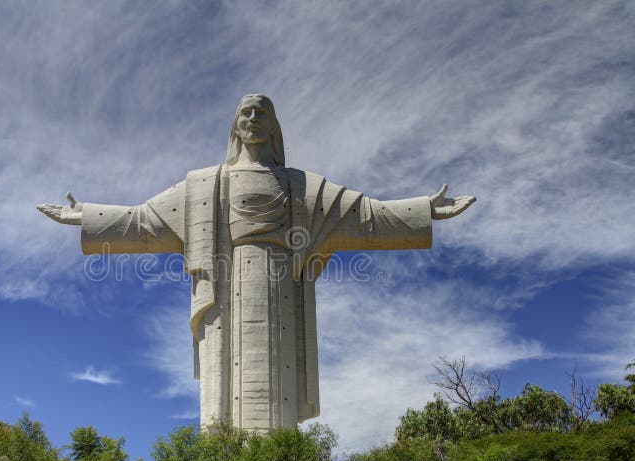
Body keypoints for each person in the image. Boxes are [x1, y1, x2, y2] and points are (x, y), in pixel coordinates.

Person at [37, 94, 475, 432]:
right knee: (225, 405)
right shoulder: (206, 184)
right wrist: (86, 215)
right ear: (235, 124)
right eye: (245, 112)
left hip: (281, 288)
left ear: (274, 125)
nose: (252, 119)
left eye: (261, 113)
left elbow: (366, 215)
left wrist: (424, 209)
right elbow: (144, 220)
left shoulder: (300, 185)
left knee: (275, 395)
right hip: (228, 291)